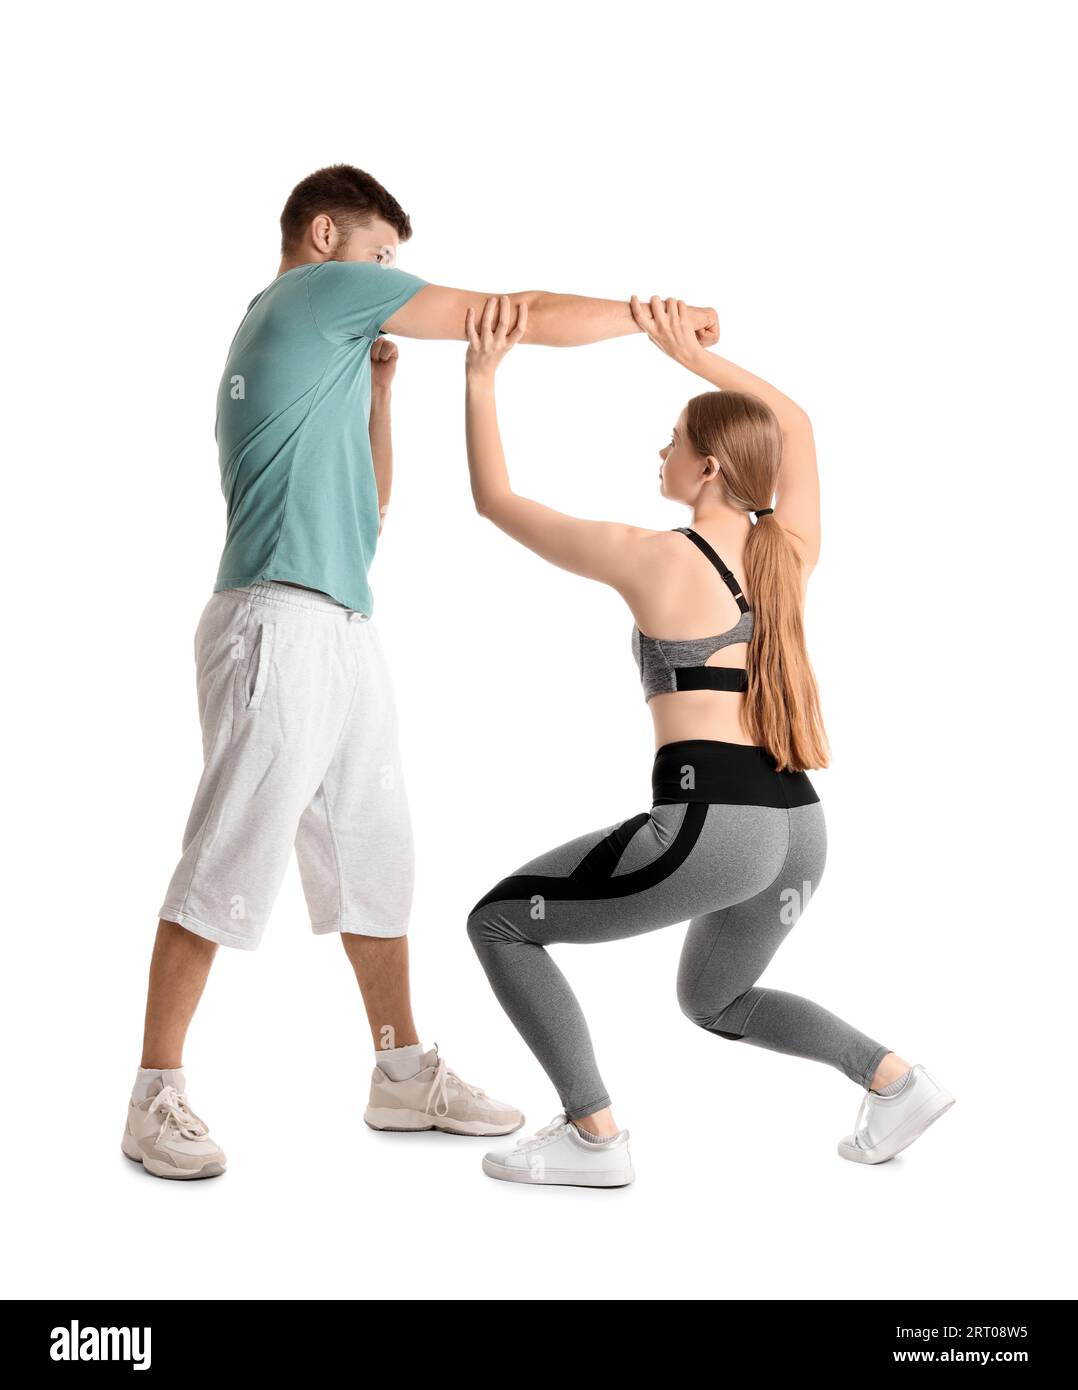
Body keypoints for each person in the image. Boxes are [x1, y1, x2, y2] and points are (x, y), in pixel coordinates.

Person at [122, 165, 719, 1180]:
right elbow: (509, 313)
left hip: (338, 620)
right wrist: (645, 318)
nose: (390, 279)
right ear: (324, 235)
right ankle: (155, 1094)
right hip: (278, 620)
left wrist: (382, 395)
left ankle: (400, 1072)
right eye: (381, 256)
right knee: (230, 853)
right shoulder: (316, 291)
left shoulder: (303, 342)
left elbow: (369, 510)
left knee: (375, 850)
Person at [463, 294, 955, 1188]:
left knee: (498, 924)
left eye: (673, 441)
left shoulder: (653, 557)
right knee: (714, 999)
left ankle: (593, 1138)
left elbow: (495, 500)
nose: (660, 454)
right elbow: (795, 423)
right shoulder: (788, 555)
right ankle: (895, 1081)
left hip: (711, 826)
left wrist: (481, 376)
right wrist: (694, 361)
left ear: (708, 468)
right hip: (798, 828)